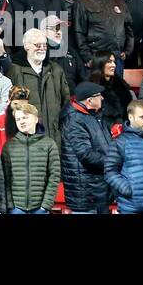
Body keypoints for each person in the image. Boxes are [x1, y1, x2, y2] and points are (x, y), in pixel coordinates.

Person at [102, 99, 143, 214]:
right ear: (131, 117)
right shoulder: (120, 142)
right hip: (131, 207)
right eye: (142, 117)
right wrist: (127, 189)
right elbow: (109, 172)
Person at [7, 28, 68, 142]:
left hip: (55, 137)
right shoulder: (15, 71)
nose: (42, 48)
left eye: (44, 45)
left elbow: (66, 102)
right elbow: (12, 107)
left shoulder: (56, 70)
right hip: (28, 138)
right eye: (37, 45)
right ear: (26, 46)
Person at [61, 81, 110, 213]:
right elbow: (86, 155)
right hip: (85, 194)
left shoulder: (93, 115)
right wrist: (113, 161)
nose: (102, 98)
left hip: (97, 190)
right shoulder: (74, 120)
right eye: (99, 95)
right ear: (89, 100)